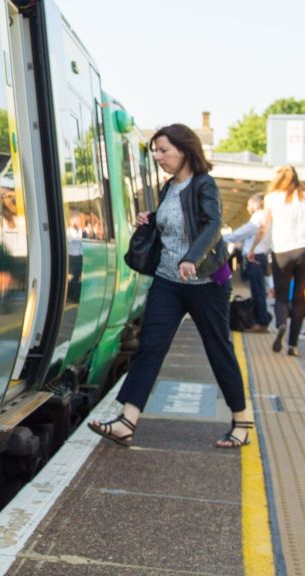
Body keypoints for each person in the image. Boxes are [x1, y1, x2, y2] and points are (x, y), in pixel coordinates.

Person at [89, 124, 252, 449]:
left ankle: (241, 421)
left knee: (218, 349)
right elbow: (175, 224)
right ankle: (127, 421)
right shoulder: (168, 188)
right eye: (156, 152)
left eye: (164, 151)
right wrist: (150, 219)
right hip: (167, 281)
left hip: (204, 282)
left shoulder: (204, 184)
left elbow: (212, 226)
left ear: (184, 149)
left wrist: (191, 258)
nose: (159, 157)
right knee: (150, 346)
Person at [249, 165, 305, 356]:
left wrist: (253, 248)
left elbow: (264, 227)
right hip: (303, 251)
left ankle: (281, 325)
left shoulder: (272, 198)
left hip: (281, 251)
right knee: (299, 299)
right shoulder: (303, 196)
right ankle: (293, 346)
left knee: (281, 296)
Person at [223, 193, 271, 331]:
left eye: (249, 205)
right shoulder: (267, 217)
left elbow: (241, 233)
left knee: (258, 292)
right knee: (259, 290)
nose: (248, 208)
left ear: (256, 204)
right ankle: (260, 320)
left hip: (254, 257)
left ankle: (262, 323)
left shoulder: (258, 217)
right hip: (261, 256)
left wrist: (224, 238)